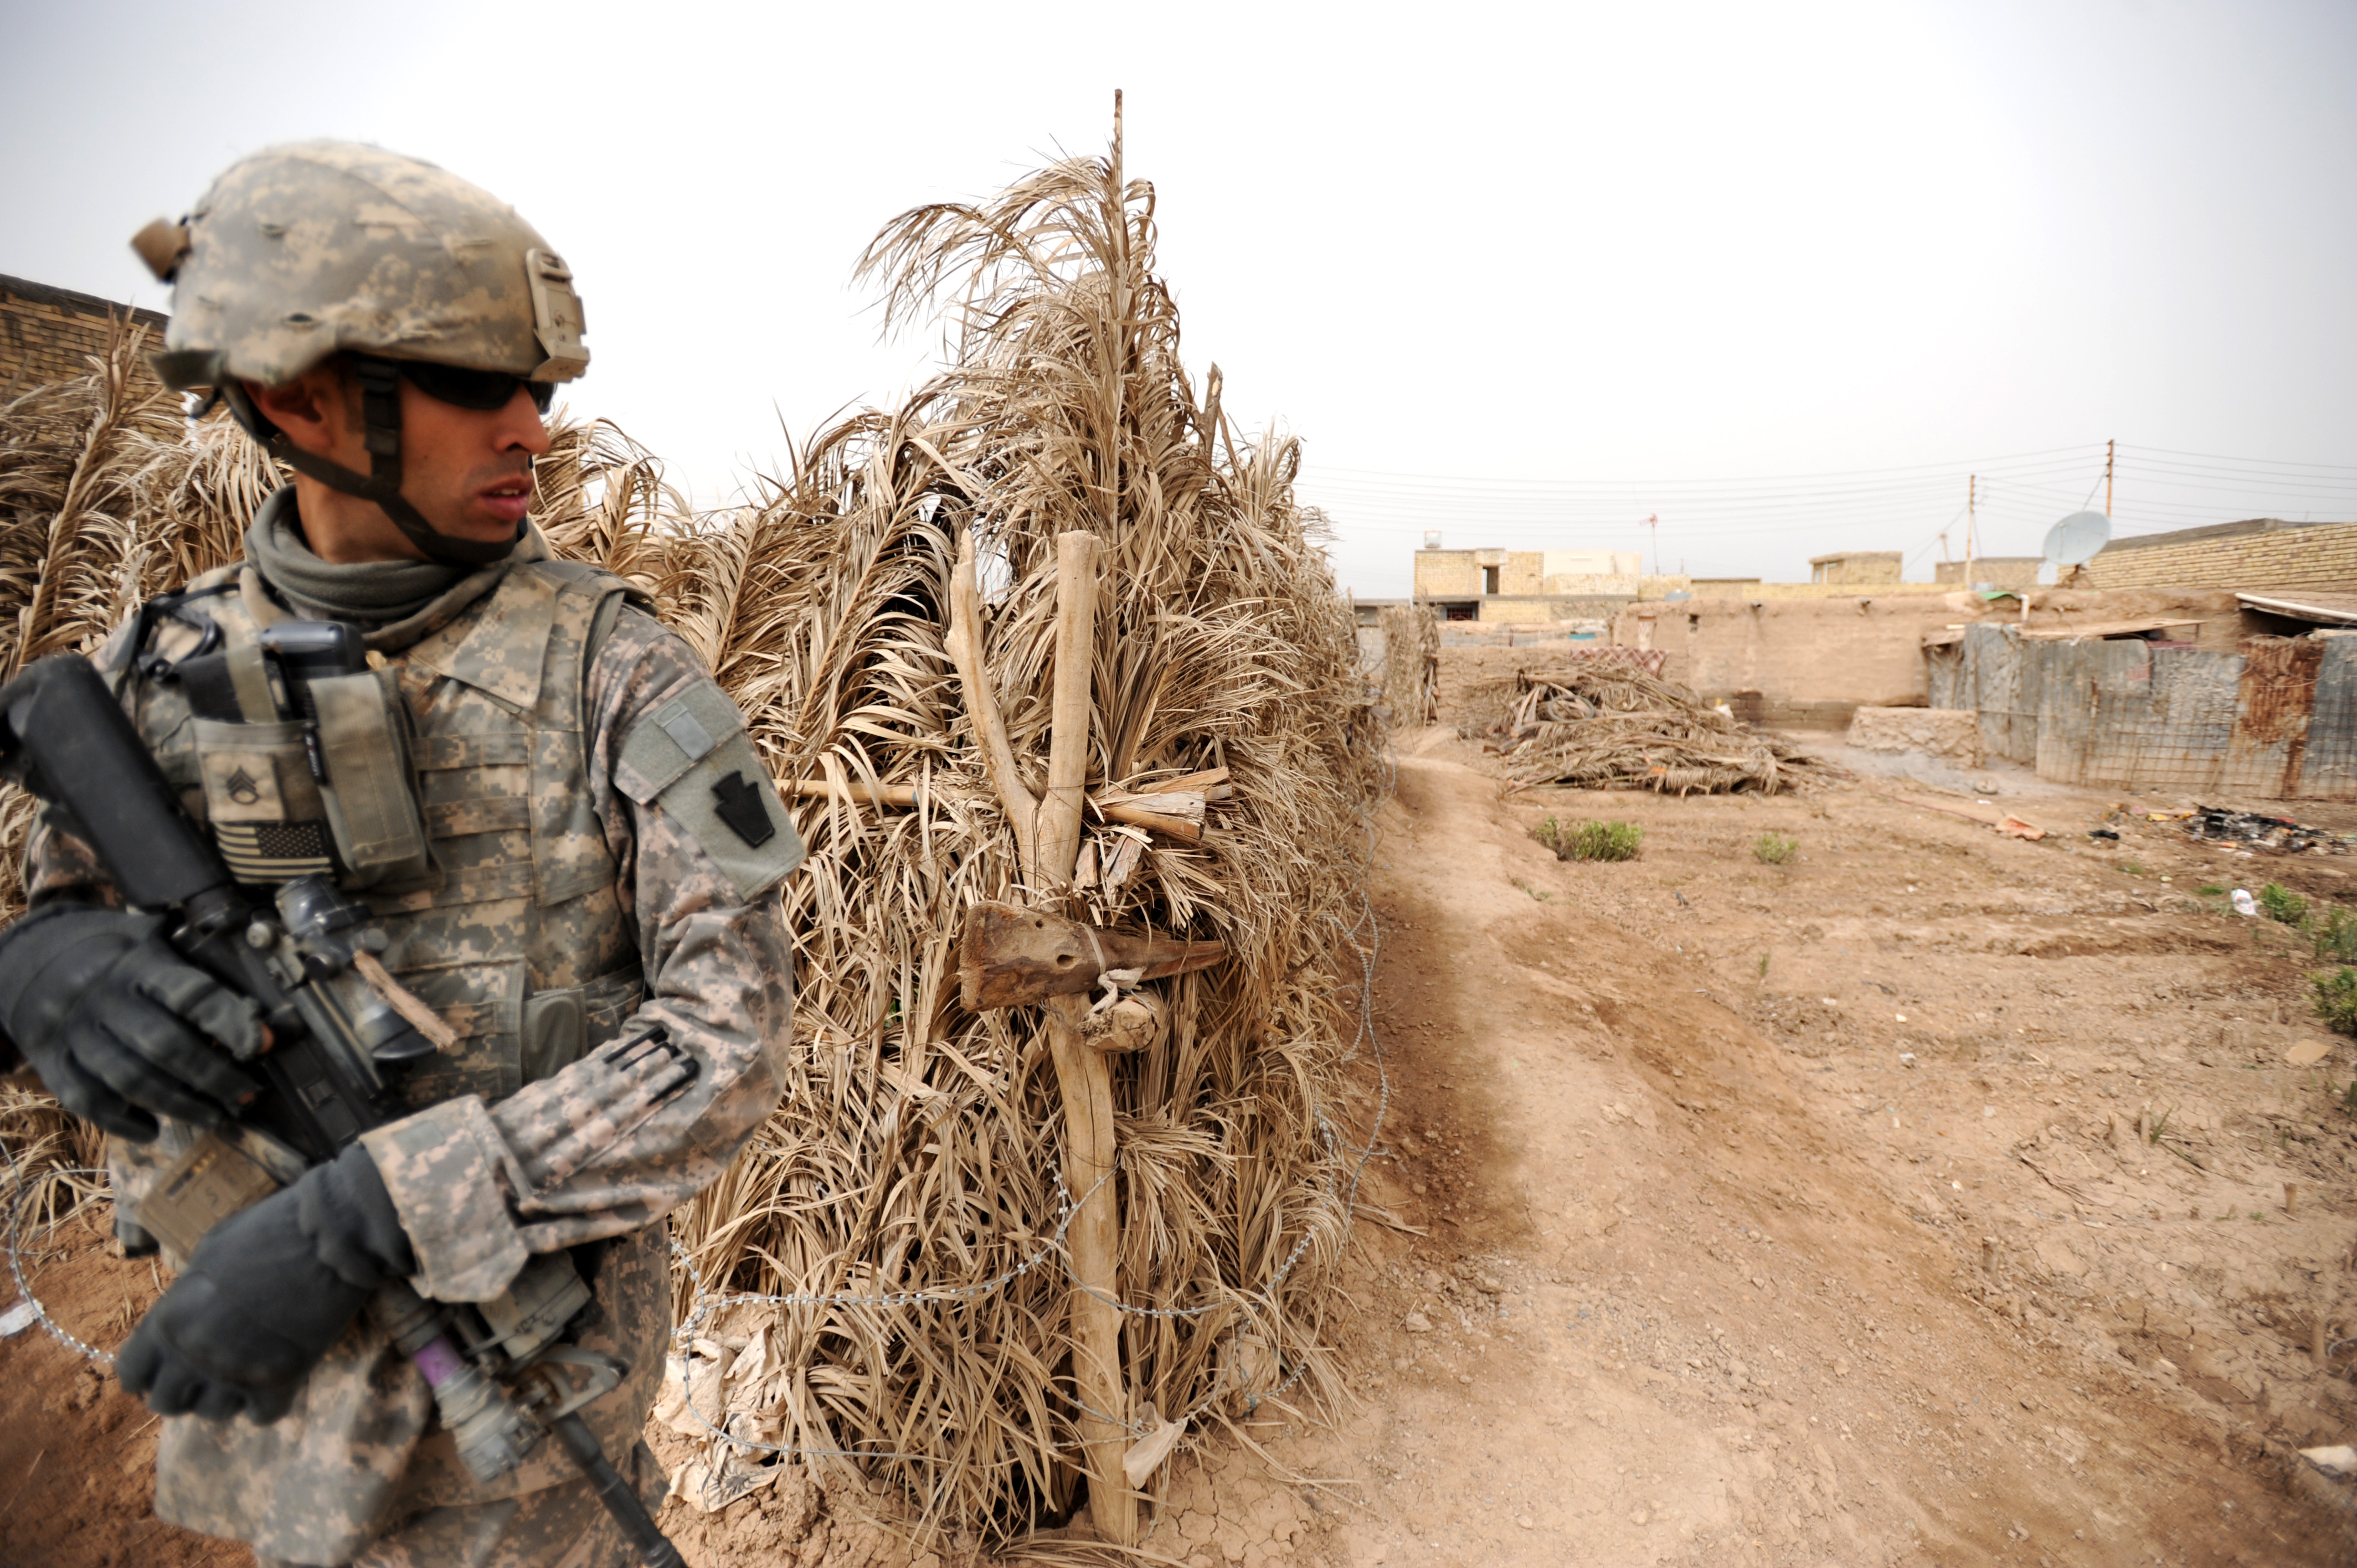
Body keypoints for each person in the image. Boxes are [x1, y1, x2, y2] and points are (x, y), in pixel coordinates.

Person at [0, 141, 800, 1567]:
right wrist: (41, 969)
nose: (532, 433)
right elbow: (64, 911)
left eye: (539, 391)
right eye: (475, 383)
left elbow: (728, 1039)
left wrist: (366, 1214)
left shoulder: (614, 671)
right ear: (297, 395)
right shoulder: (147, 673)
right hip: (281, 1423)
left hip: (534, 1441)